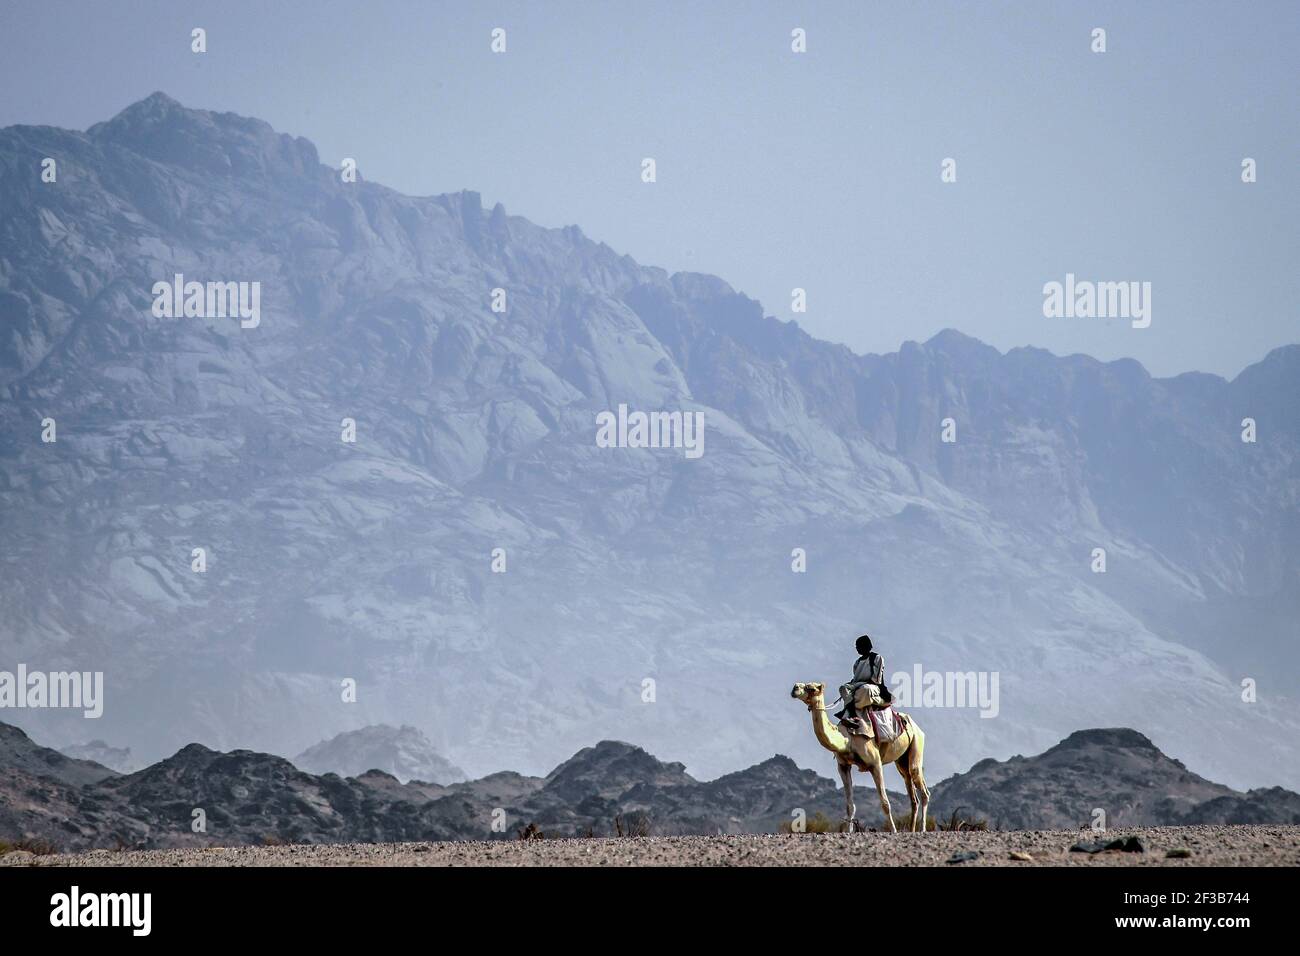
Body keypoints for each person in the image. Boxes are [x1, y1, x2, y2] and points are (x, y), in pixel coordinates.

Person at [835, 634, 892, 721]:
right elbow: (856, 678)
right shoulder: (857, 662)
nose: (857, 648)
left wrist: (859, 685)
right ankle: (851, 710)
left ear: (865, 646)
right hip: (857, 685)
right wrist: (853, 684)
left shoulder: (877, 658)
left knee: (865, 689)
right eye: (856, 647)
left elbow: (876, 680)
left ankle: (850, 708)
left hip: (873, 686)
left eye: (858, 646)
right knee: (843, 688)